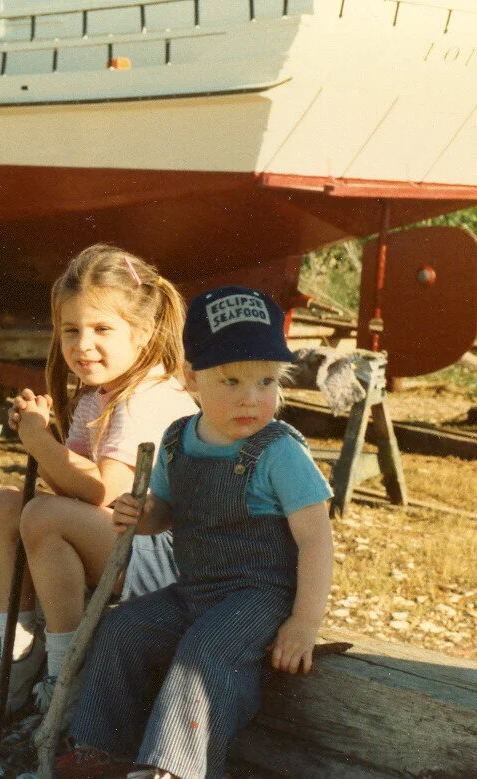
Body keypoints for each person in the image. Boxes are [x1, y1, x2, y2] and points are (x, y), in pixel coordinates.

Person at [59, 286, 335, 779]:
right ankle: (102, 747)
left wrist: (303, 623)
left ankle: (173, 768)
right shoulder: (178, 439)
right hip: (195, 588)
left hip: (261, 597)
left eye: (266, 381)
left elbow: (316, 538)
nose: (251, 398)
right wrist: (140, 513)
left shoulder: (279, 452)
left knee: (205, 653)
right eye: (231, 381)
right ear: (192, 379)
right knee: (125, 628)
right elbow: (164, 513)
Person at [0, 244, 197, 711]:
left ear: (142, 333)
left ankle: (67, 670)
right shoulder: (99, 395)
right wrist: (48, 441)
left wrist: (40, 442)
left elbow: (105, 493)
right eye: (71, 330)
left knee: (42, 515)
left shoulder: (146, 396)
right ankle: (16, 650)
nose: (83, 346)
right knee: (4, 505)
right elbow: (71, 484)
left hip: (164, 556)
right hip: (125, 540)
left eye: (102, 329)